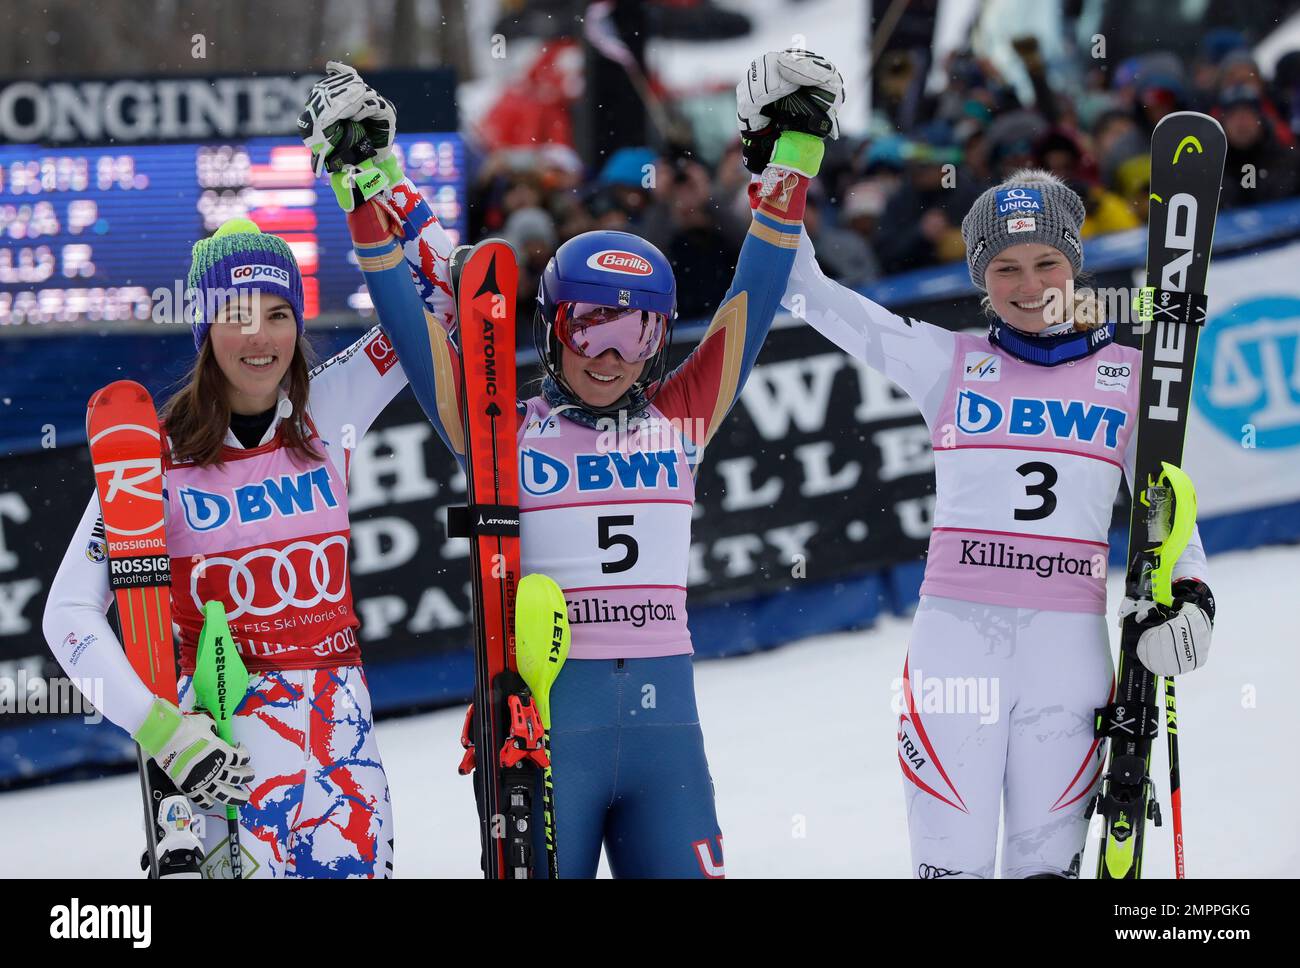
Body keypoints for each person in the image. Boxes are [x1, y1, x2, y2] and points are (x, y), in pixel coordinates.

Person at [307, 51, 843, 877]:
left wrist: (795, 153)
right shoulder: (498, 431)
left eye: (638, 334)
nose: (612, 355)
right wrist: (361, 192)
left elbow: (758, 288)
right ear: (554, 326)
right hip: (549, 735)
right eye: (591, 327)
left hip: (669, 740)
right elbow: (415, 331)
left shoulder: (681, 419)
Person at [780, 166, 1216, 879]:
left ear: (1076, 263)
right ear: (982, 278)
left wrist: (1192, 595)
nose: (1029, 283)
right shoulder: (946, 360)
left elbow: (1168, 508)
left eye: (1047, 262)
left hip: (1067, 663)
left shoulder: (1133, 375)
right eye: (1005, 267)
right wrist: (782, 166)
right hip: (954, 654)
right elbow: (806, 290)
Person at [41, 208, 443, 877]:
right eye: (236, 314)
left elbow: (445, 294)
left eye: (279, 313)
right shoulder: (154, 458)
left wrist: (375, 176)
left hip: (346, 766)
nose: (260, 336)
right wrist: (162, 733)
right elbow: (67, 615)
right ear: (204, 330)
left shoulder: (331, 406)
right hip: (225, 770)